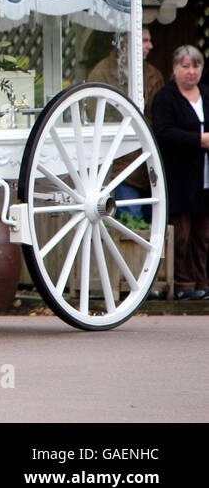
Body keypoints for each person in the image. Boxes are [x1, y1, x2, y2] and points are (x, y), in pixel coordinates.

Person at [87, 26, 165, 221]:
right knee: (132, 220)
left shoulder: (153, 75)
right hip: (120, 162)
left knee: (152, 219)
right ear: (125, 44)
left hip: (148, 163)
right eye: (145, 41)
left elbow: (159, 118)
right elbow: (94, 114)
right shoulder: (102, 73)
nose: (150, 46)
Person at [150, 45, 209, 300]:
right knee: (181, 234)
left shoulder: (207, 94)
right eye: (185, 66)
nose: (191, 72)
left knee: (203, 234)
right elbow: (163, 132)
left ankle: (203, 281)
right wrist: (199, 140)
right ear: (174, 69)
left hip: (205, 176)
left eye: (196, 66)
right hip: (179, 177)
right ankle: (184, 283)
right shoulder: (166, 97)